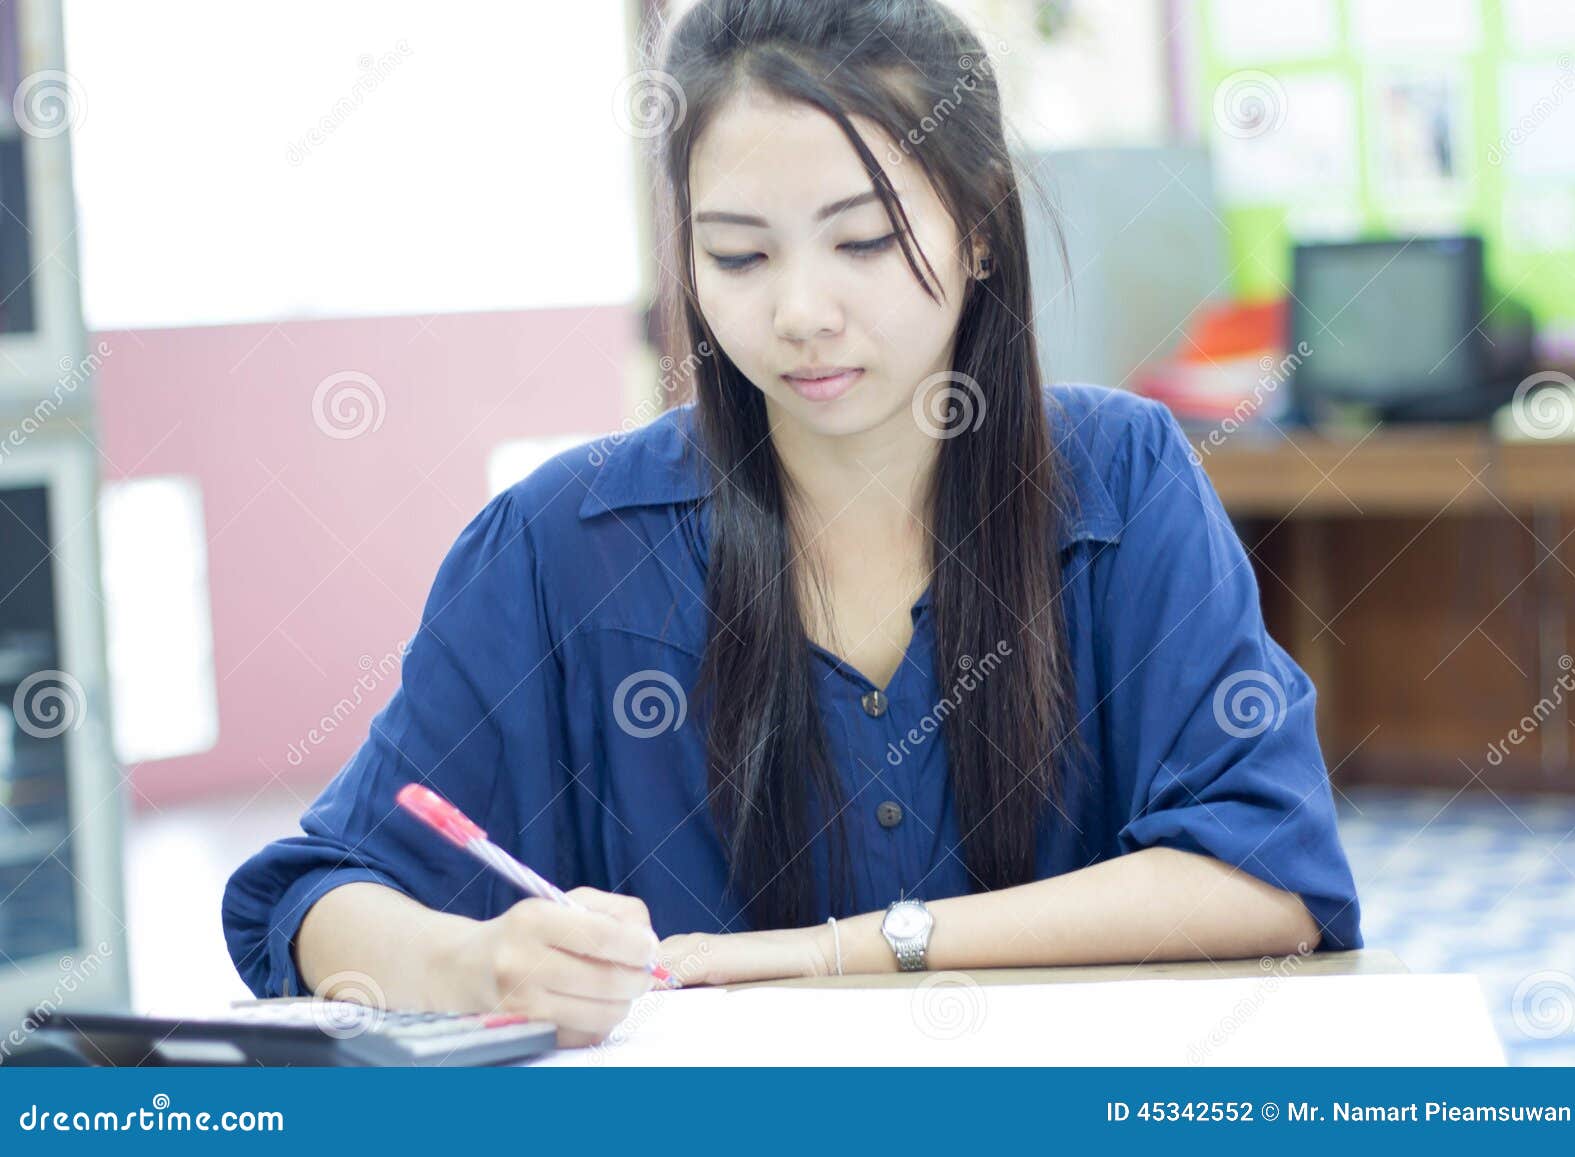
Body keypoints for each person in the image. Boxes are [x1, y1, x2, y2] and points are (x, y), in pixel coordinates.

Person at [223, 0, 1361, 1049]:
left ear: (976, 230)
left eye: (861, 241)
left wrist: (829, 952)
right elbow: (316, 900)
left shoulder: (1118, 482)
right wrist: (475, 960)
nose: (799, 312)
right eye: (738, 254)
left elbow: (1264, 877)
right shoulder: (561, 542)